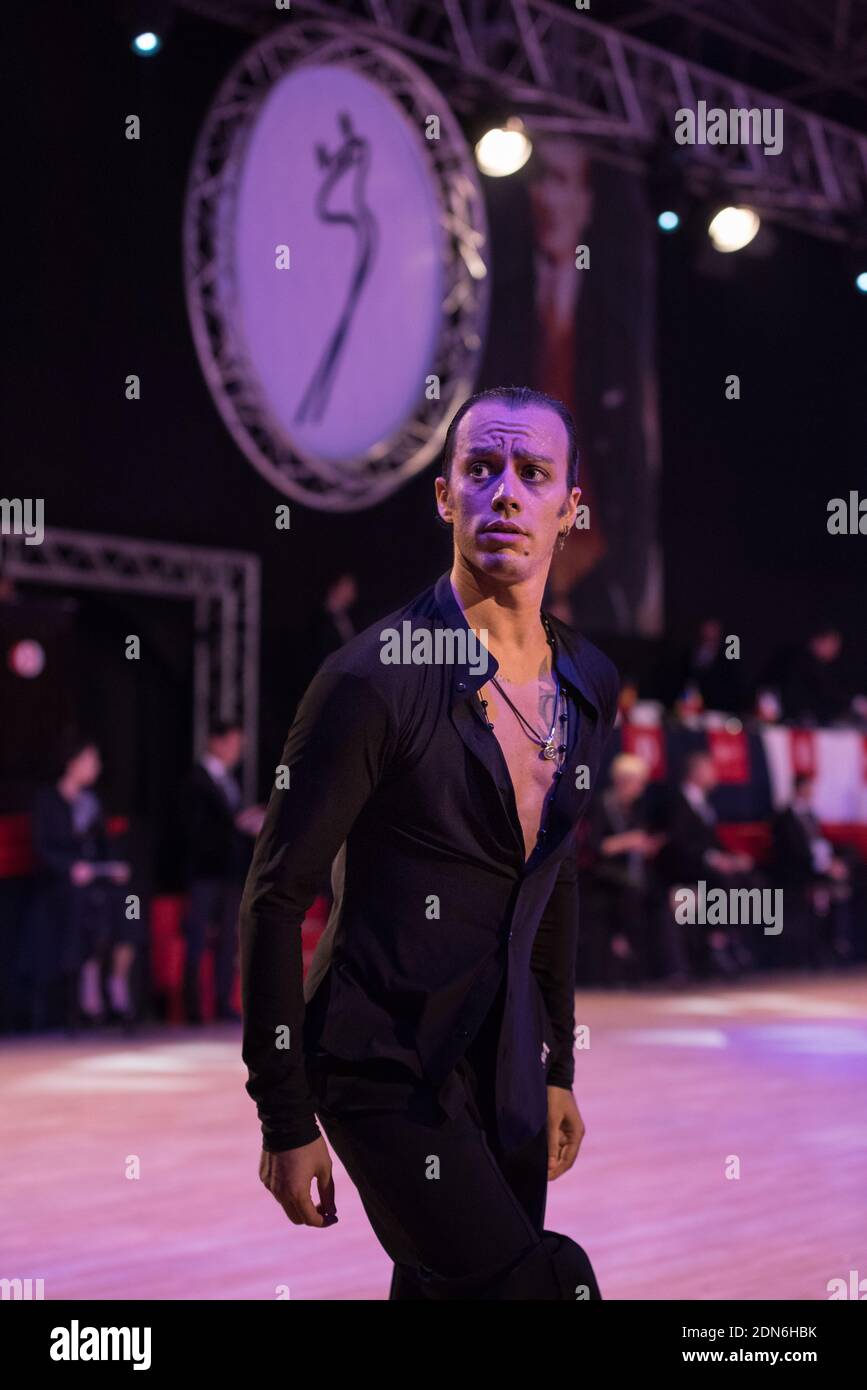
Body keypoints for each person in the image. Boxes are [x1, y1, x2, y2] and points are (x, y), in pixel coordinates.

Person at [240, 386, 620, 1300]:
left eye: (532, 474)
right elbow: (275, 896)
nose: (504, 493)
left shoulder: (588, 681)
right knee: (544, 1283)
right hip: (380, 1067)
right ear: (443, 494)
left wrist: (557, 1064)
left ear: (570, 507)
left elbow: (552, 880)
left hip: (505, 1066)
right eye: (480, 468)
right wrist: (285, 1117)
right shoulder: (368, 681)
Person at [30, 736, 134, 1030]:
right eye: (91, 760)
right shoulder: (48, 800)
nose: (96, 767)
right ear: (73, 762)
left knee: (130, 902)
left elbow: (103, 843)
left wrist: (115, 865)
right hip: (62, 884)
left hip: (96, 880)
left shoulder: (92, 801)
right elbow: (43, 848)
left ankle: (118, 979)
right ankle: (87, 983)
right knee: (86, 907)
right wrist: (69, 868)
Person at [179, 723, 263, 1023]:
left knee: (229, 938)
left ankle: (223, 1002)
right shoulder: (195, 780)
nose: (237, 751)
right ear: (216, 741)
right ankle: (192, 1007)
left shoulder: (229, 781)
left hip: (230, 871)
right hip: (204, 870)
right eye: (233, 743)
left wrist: (247, 825)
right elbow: (194, 829)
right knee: (198, 936)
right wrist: (236, 824)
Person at [660, 751, 757, 979]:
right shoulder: (677, 802)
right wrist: (714, 859)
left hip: (707, 867)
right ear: (695, 772)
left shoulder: (704, 803)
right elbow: (680, 843)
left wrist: (732, 858)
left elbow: (713, 842)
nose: (715, 775)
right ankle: (717, 941)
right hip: (685, 869)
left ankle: (730, 938)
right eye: (710, 769)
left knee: (750, 880)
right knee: (724, 881)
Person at [581, 753, 665, 986]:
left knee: (659, 897)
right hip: (605, 875)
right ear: (623, 780)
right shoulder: (602, 805)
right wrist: (628, 842)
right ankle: (621, 962)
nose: (641, 788)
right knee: (630, 898)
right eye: (638, 782)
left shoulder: (636, 809)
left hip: (632, 873)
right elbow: (596, 847)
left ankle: (658, 970)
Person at [771, 773, 853, 968]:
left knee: (845, 881)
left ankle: (838, 943)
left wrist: (832, 863)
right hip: (797, 873)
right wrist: (824, 866)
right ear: (799, 789)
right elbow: (792, 852)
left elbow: (820, 846)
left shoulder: (811, 816)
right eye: (809, 787)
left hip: (818, 870)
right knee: (824, 889)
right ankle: (818, 949)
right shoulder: (784, 818)